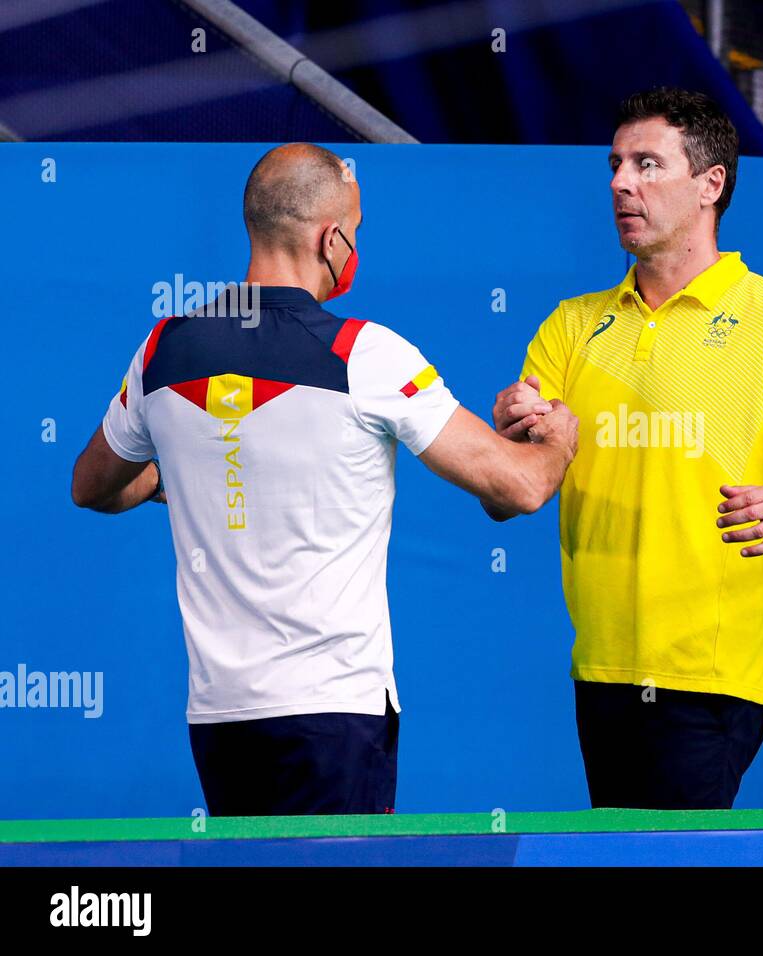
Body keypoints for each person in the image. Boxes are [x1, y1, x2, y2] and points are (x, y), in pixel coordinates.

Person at [71, 143, 577, 816]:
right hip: (337, 712)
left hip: (221, 718)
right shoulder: (363, 354)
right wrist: (560, 442)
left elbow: (92, 485)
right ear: (329, 238)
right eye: (356, 233)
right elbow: (520, 487)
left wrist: (185, 473)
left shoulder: (163, 351)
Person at [492, 88, 763, 810]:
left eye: (648, 164)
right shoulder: (573, 325)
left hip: (710, 678)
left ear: (712, 184)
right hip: (602, 669)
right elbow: (506, 495)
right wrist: (515, 430)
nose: (620, 182)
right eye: (616, 164)